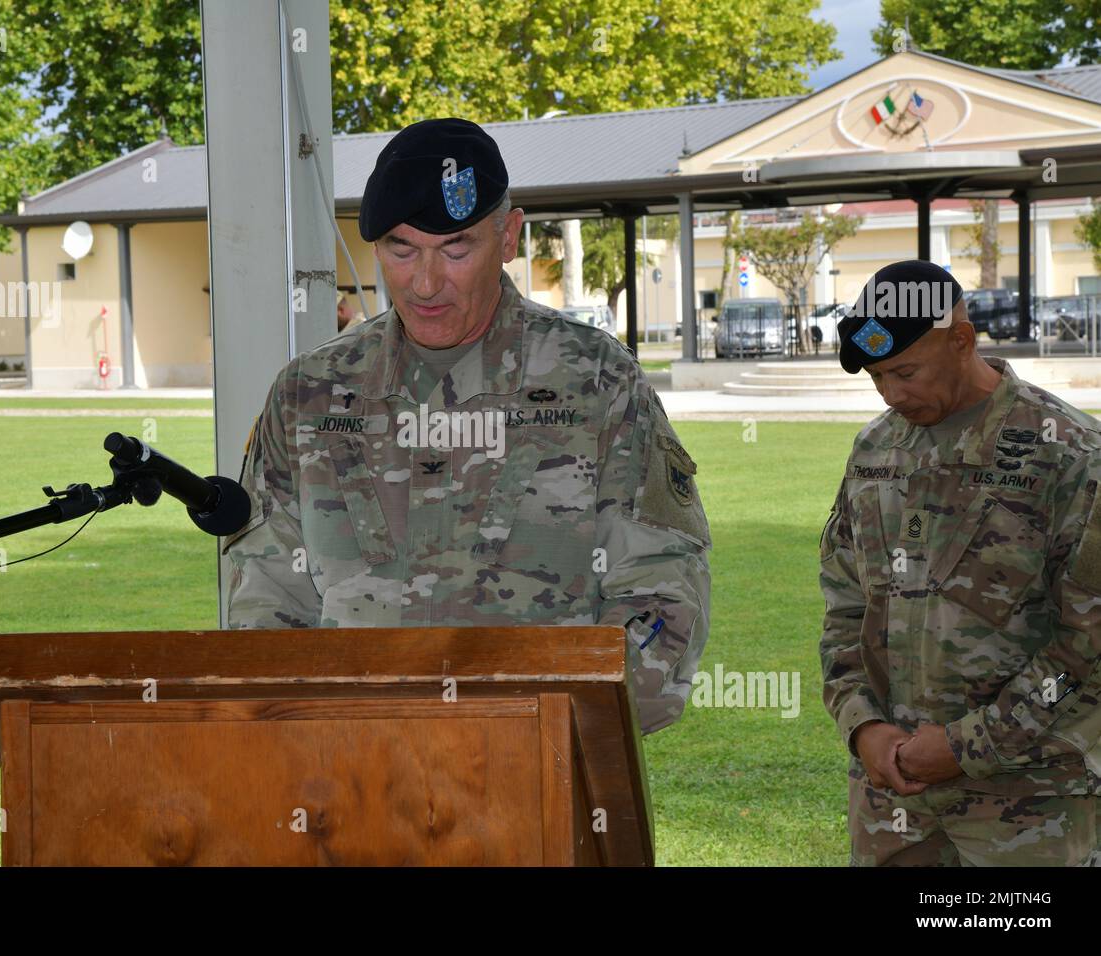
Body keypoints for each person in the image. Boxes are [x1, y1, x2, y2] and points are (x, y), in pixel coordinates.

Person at [224, 117, 712, 735]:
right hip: (350, 773)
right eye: (401, 249)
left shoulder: (595, 382)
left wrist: (558, 730)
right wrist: (295, 734)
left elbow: (660, 593)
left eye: (455, 248)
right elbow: (266, 597)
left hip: (536, 769)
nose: (425, 284)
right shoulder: (309, 394)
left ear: (509, 235)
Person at [820, 259, 1101, 865]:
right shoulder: (875, 450)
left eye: (906, 371)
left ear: (963, 340)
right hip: (893, 805)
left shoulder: (1068, 454)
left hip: (1029, 805)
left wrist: (965, 746)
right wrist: (862, 725)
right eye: (876, 378)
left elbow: (1088, 643)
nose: (892, 395)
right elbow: (845, 605)